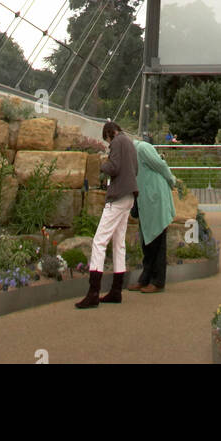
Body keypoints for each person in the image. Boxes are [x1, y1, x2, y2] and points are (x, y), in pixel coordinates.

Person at [75, 119, 138, 310]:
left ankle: (93, 293)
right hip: (129, 195)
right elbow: (135, 169)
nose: (108, 143)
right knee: (119, 243)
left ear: (110, 133)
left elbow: (114, 167)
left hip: (117, 197)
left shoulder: (117, 142)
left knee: (99, 241)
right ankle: (116, 291)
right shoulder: (130, 142)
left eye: (107, 139)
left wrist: (103, 165)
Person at [128, 138, 178, 295]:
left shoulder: (143, 148)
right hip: (144, 202)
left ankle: (158, 281)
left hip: (155, 200)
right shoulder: (129, 154)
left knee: (157, 240)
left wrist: (172, 180)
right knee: (146, 241)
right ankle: (145, 278)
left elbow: (161, 165)